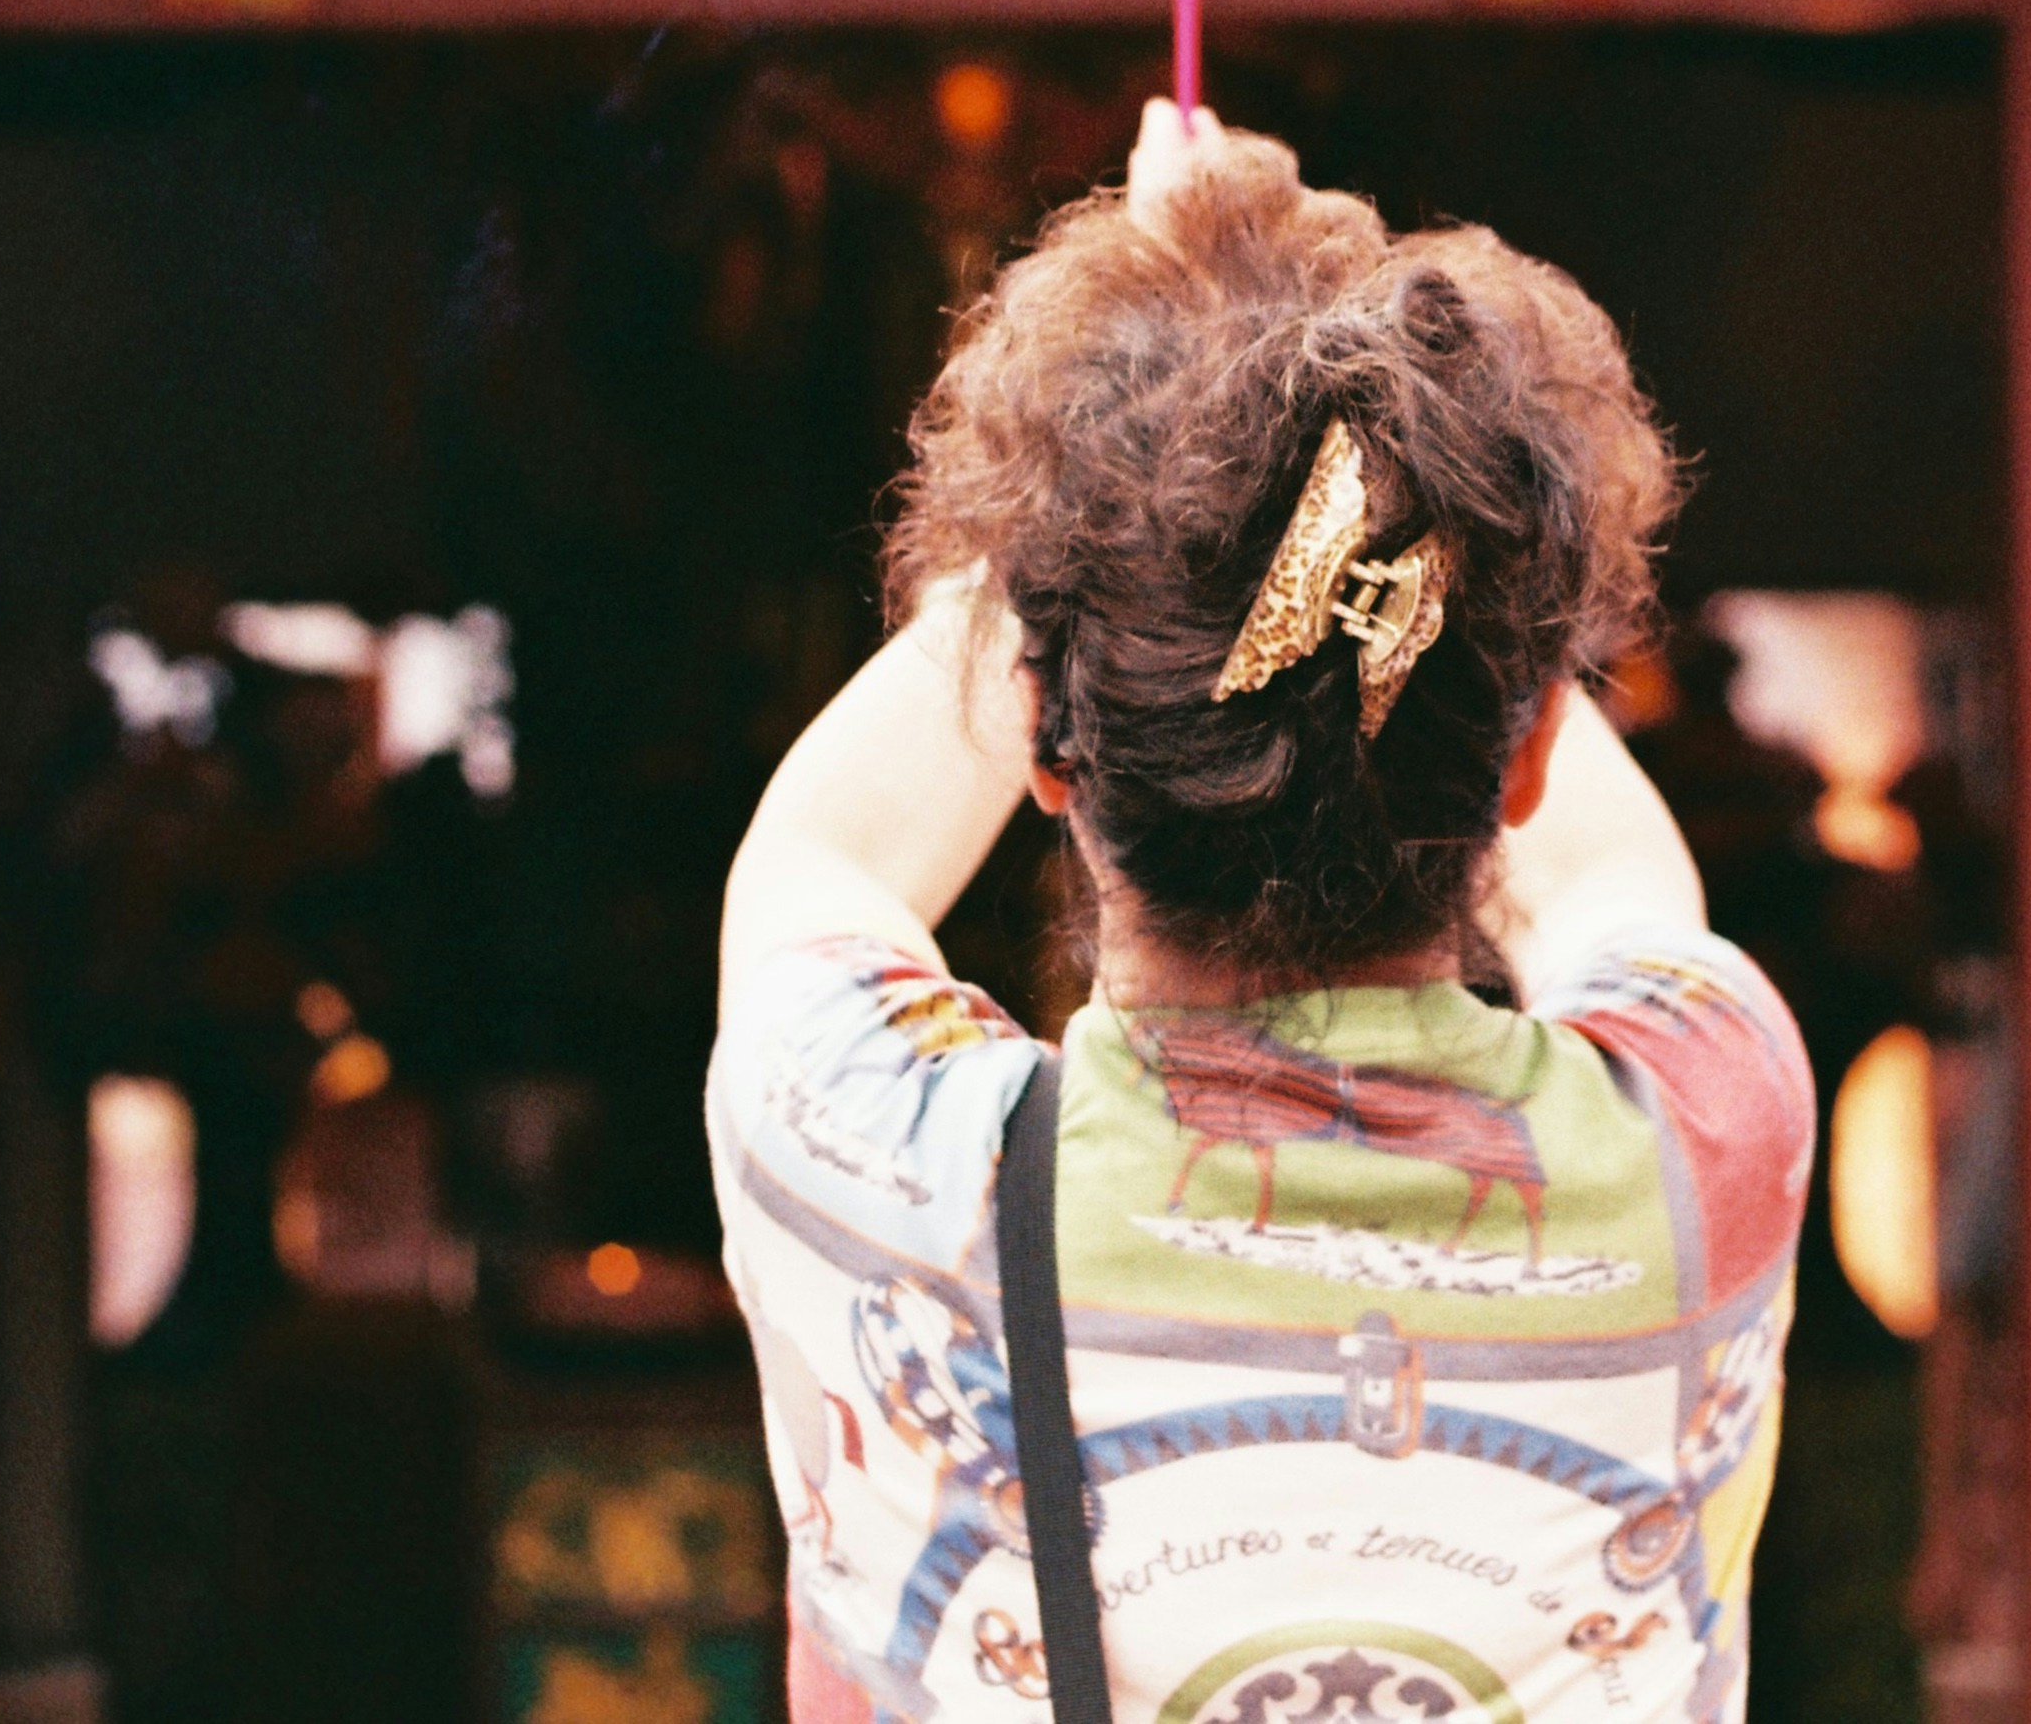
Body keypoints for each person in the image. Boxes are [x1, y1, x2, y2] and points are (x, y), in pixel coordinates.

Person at [709, 102, 1816, 1724]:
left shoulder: (883, 1155)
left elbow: (826, 856)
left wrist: (1136, 406)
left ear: (1040, 732)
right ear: (1520, 760)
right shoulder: (1705, 1136)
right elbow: (1606, 872)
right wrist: (1340, 396)